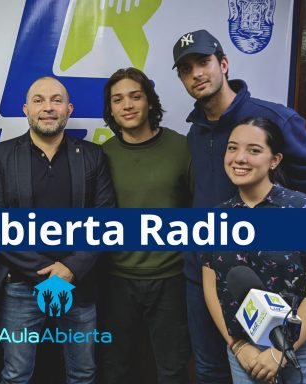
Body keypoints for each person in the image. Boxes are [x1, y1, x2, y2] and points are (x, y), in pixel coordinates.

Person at [171, 29, 306, 383]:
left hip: (279, 282)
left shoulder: (274, 119)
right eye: (186, 69)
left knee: (283, 366)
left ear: (224, 64)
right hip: (207, 274)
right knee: (212, 368)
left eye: (204, 62)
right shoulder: (195, 134)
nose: (197, 74)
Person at [0, 76, 116, 384]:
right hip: (21, 285)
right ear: (26, 109)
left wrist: (70, 269)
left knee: (83, 373)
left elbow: (106, 221)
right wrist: (45, 270)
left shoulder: (93, 156)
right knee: (16, 374)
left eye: (56, 100)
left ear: (69, 109)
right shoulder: (1, 156)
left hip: (77, 284)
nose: (48, 108)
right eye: (39, 101)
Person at [202, 117, 306, 383]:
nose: (240, 158)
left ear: (275, 160)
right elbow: (212, 288)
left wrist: (280, 351)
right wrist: (237, 345)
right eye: (233, 148)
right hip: (247, 348)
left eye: (254, 150)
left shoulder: (302, 208)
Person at [98, 67, 192, 384]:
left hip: (171, 278)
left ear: (149, 101)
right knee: (115, 367)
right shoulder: (103, 155)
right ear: (110, 109)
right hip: (117, 280)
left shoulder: (181, 148)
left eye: (135, 96)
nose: (127, 105)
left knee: (172, 368)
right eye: (117, 99)